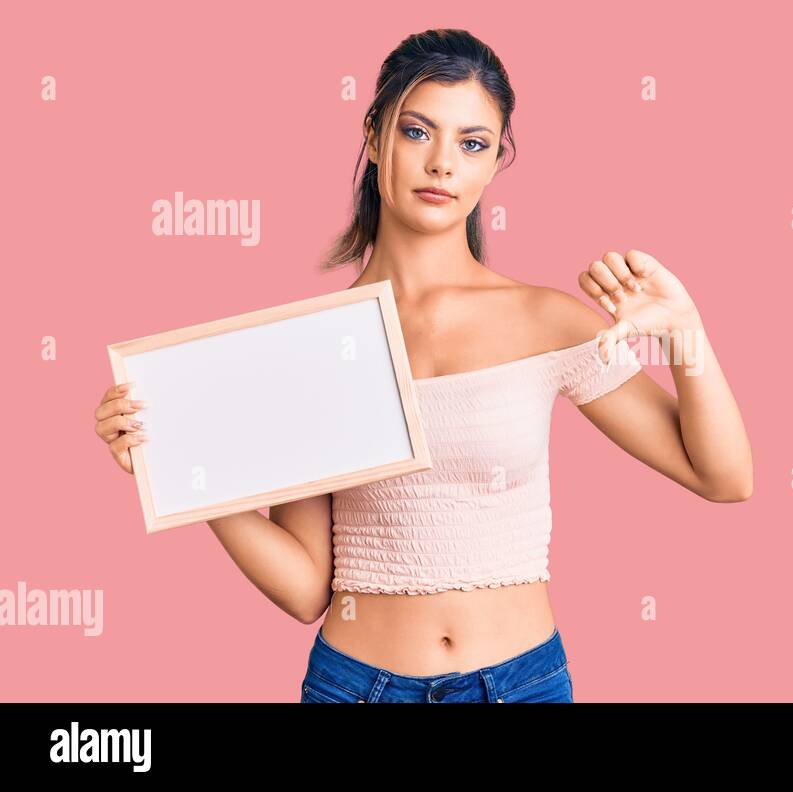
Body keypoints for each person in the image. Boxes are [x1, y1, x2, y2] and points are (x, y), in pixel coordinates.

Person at [92, 28, 752, 703]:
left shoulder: (545, 321)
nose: (443, 163)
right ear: (374, 138)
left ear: (496, 162)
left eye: (473, 144)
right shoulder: (311, 346)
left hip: (522, 685)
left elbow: (723, 476)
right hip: (357, 687)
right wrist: (186, 471)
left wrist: (685, 333)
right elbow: (303, 588)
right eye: (417, 132)